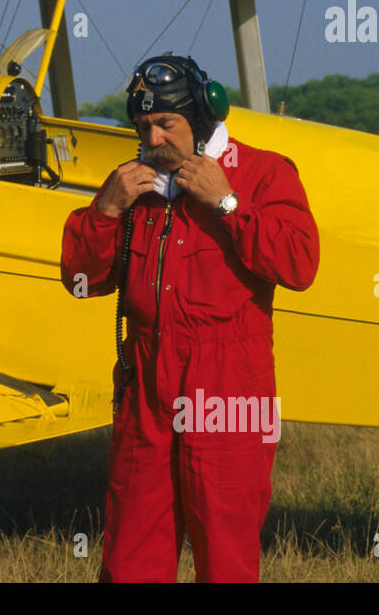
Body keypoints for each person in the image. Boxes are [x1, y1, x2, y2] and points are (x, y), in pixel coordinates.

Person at [61, 54, 318, 582]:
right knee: (132, 542)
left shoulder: (265, 172)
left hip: (228, 381)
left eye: (165, 125)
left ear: (202, 116)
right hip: (146, 376)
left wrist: (226, 203)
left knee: (225, 542)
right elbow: (79, 279)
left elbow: (300, 264)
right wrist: (105, 210)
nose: (152, 140)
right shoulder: (133, 188)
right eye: (143, 127)